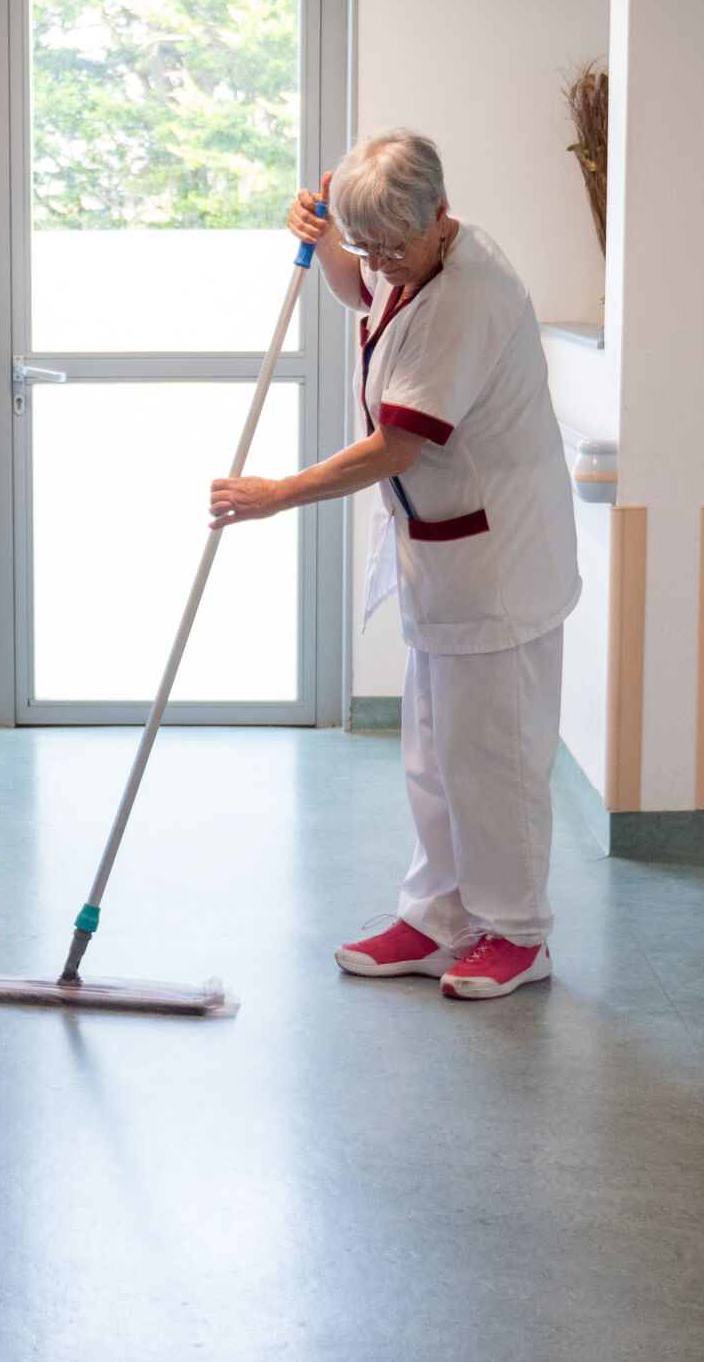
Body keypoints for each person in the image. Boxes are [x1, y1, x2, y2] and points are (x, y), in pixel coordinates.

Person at [210, 130, 578, 1000]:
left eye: (393, 248)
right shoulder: (405, 255)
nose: (383, 266)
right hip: (441, 550)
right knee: (432, 751)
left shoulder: (470, 299)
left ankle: (516, 933)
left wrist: (275, 494)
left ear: (441, 217)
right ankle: (439, 915)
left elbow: (397, 446)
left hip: (499, 563)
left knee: (495, 756)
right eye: (369, 245)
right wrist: (329, 241)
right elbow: (357, 285)